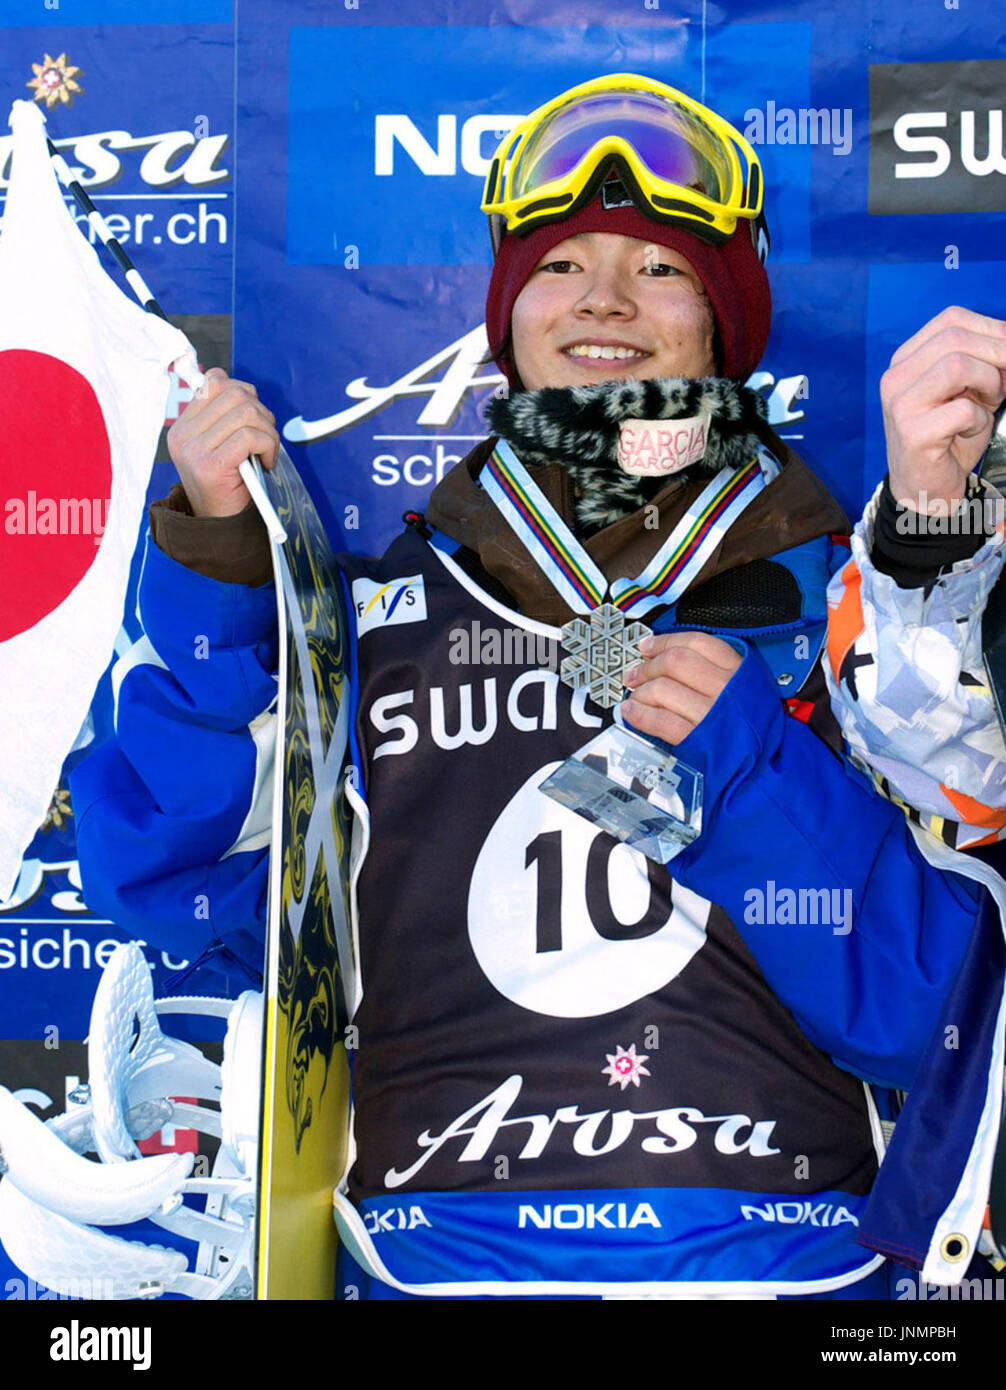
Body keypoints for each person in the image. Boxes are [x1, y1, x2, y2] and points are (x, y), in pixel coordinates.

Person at [69, 74, 1006, 1299]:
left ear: (726, 321)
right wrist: (225, 578)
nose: (605, 301)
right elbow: (184, 902)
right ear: (507, 314)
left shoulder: (855, 608)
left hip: (791, 1271)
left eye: (662, 268)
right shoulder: (371, 618)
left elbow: (943, 1016)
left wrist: (747, 777)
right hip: (427, 1270)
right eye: (561, 264)